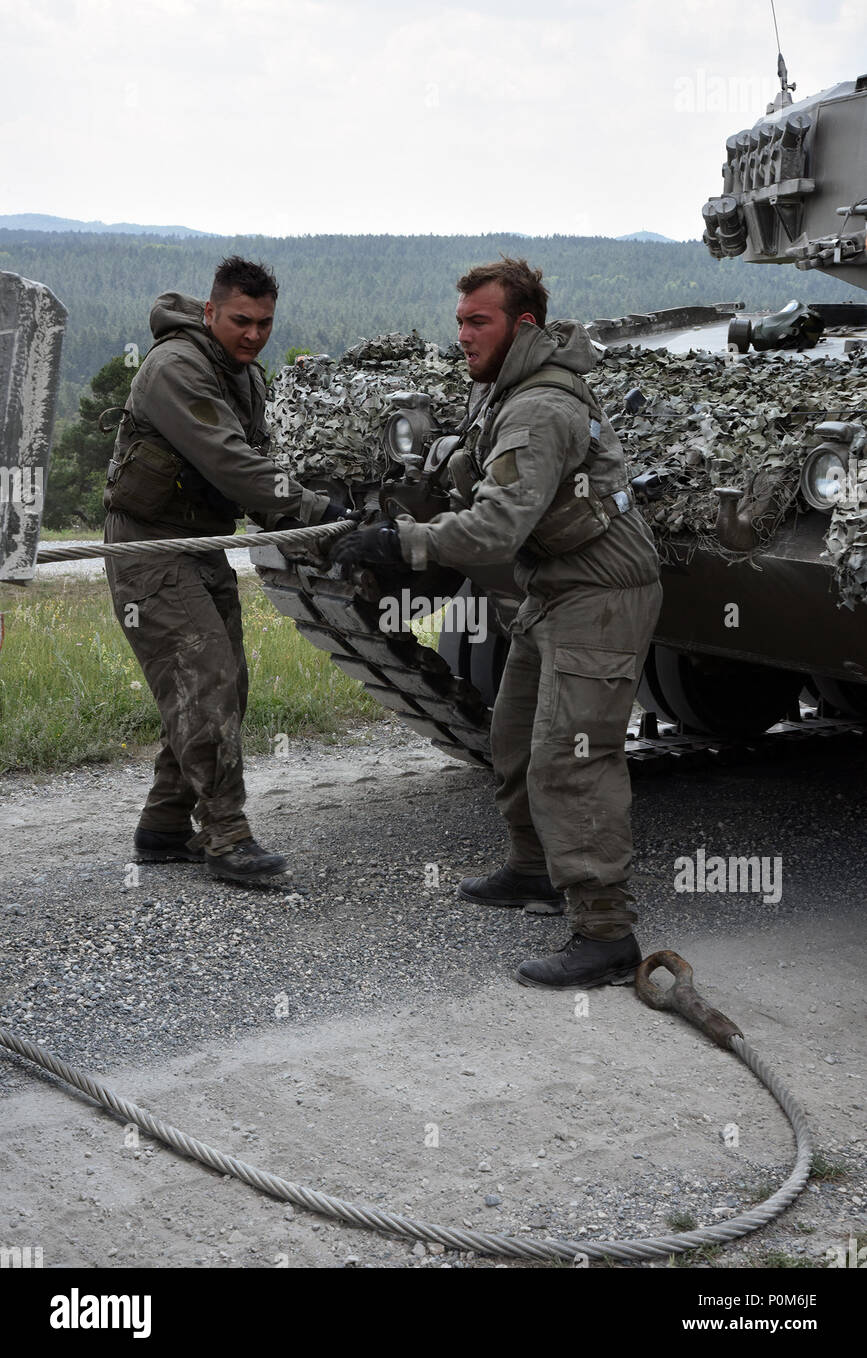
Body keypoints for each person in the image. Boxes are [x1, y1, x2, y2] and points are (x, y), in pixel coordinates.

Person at [333, 257, 662, 988]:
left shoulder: (540, 408)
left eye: (477, 321)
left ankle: (606, 934)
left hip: (600, 591)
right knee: (513, 739)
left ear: (522, 327)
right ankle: (533, 868)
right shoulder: (503, 390)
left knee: (572, 759)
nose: (462, 335)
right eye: (458, 320)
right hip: (554, 584)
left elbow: (499, 525)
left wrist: (406, 542)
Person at [104, 256, 347, 880]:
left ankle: (164, 823)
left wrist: (316, 528)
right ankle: (226, 836)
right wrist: (315, 509)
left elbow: (250, 467)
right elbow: (231, 461)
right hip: (150, 548)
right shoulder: (176, 367)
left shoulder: (239, 372)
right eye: (241, 320)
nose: (254, 335)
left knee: (221, 682)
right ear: (210, 312)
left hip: (201, 541)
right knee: (205, 679)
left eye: (265, 323)